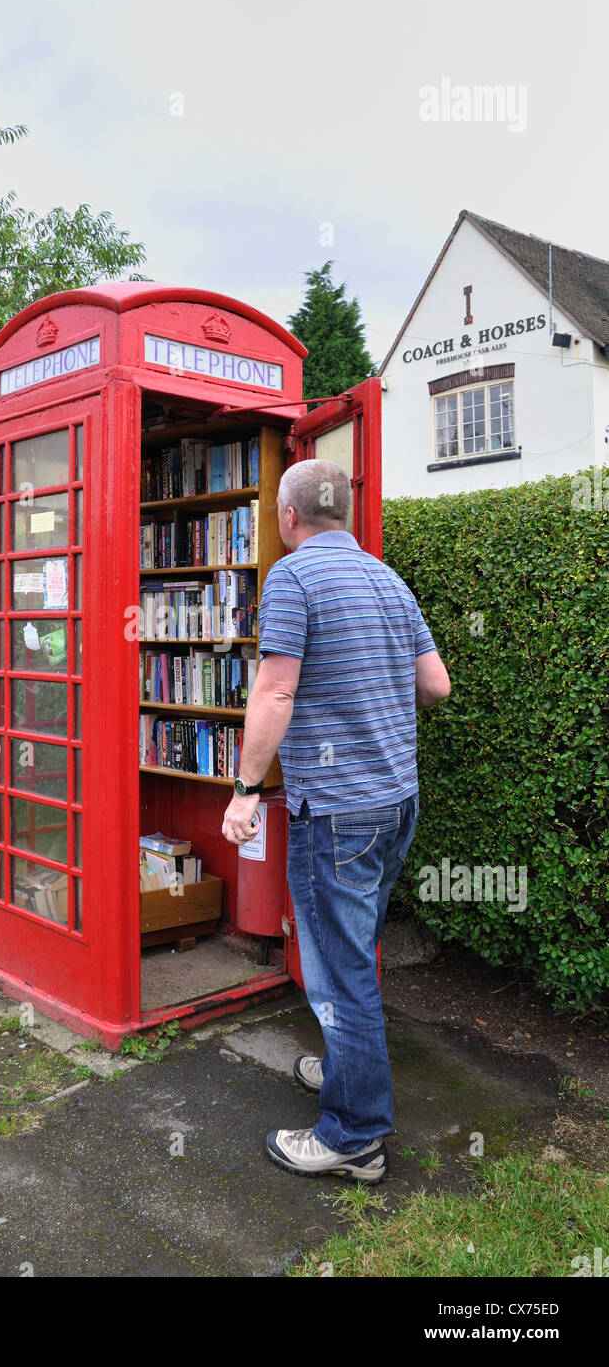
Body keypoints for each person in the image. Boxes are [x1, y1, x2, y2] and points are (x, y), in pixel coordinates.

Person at [221, 458, 450, 1182]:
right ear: (343, 513)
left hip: (339, 815)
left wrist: (245, 788)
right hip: (396, 802)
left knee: (339, 974)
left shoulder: (291, 578)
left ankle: (354, 1137)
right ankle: (349, 1074)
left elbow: (276, 691)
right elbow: (435, 686)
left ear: (288, 517)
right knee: (354, 956)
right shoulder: (387, 578)